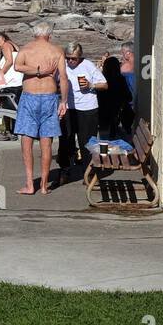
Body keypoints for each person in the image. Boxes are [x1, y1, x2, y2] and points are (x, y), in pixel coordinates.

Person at [12, 22, 69, 195]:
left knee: (27, 140)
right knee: (47, 142)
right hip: (50, 97)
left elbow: (17, 66)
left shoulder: (26, 49)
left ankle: (30, 184)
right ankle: (44, 185)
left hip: (29, 97)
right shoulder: (57, 51)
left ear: (34, 34)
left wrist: (35, 70)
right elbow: (64, 78)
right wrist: (63, 101)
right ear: (49, 35)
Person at [58, 42, 105, 176]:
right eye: (68, 58)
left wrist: (91, 85)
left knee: (87, 141)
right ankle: (65, 168)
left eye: (74, 58)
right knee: (66, 138)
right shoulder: (62, 66)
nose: (71, 61)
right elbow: (56, 82)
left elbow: (105, 85)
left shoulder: (88, 65)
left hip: (87, 107)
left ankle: (89, 171)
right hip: (69, 107)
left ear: (80, 57)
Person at [96, 56, 134, 140]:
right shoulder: (121, 80)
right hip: (118, 117)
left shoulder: (101, 82)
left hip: (102, 118)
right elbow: (129, 97)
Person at [119, 41, 137, 106]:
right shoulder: (138, 63)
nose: (122, 55)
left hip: (129, 102)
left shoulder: (125, 67)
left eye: (123, 52)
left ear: (128, 53)